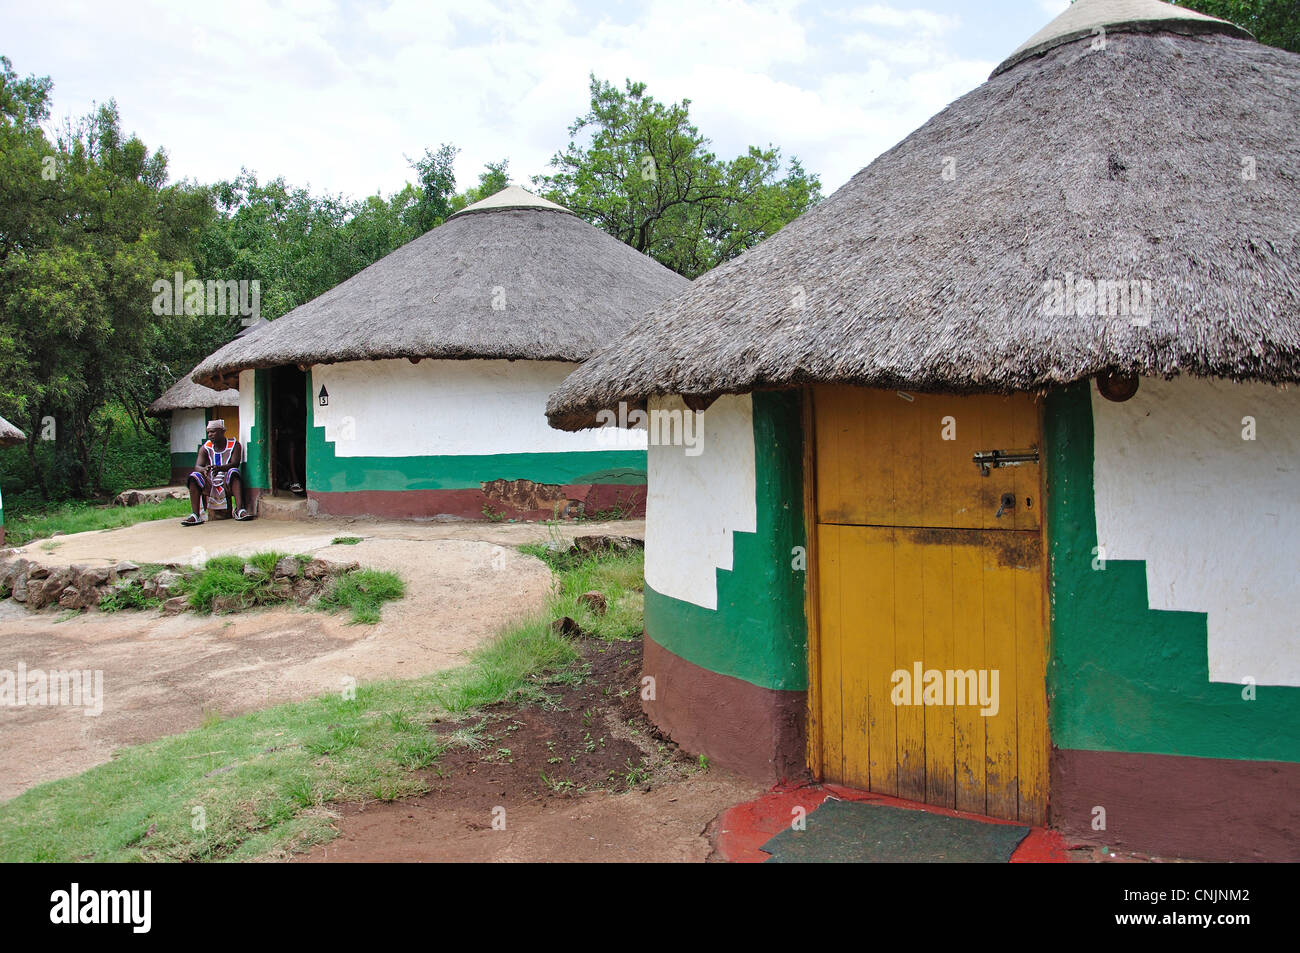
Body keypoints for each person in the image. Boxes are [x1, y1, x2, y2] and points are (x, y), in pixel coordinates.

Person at [182, 419, 250, 525]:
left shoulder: (234, 445)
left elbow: (235, 463)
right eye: (208, 432)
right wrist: (204, 469)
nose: (210, 434)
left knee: (234, 472)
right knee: (194, 476)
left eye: (213, 431)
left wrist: (220, 468)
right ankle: (196, 515)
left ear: (222, 431)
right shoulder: (205, 448)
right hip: (211, 483)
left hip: (227, 482)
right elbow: (197, 466)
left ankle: (239, 510)